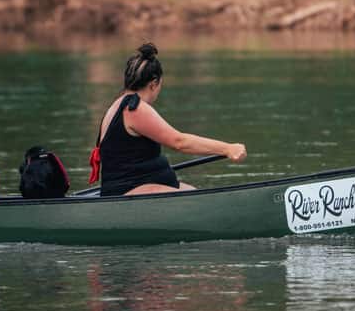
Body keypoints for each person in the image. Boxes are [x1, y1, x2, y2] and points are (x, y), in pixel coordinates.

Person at [89, 43, 246, 197]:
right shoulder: (134, 109)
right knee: (194, 199)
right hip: (128, 191)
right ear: (154, 83)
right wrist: (228, 149)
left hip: (138, 185)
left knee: (194, 193)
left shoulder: (117, 105)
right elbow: (179, 142)